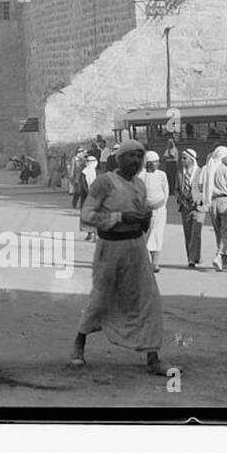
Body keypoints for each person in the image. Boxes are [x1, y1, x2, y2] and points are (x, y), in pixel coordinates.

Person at [70, 139, 165, 375]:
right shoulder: (105, 182)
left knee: (148, 299)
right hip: (110, 249)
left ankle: (153, 356)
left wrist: (143, 221)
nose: (135, 160)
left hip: (136, 249)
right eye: (130, 156)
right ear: (119, 159)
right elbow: (87, 215)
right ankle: (79, 343)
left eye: (138, 156)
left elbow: (142, 216)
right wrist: (119, 218)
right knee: (101, 299)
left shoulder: (140, 185)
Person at [197, 145, 227, 272]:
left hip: (212, 203)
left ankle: (224, 261)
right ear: (222, 157)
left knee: (219, 232)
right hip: (225, 202)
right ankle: (220, 255)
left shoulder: (206, 168)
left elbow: (200, 186)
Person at [140, 150, 170, 273]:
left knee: (157, 235)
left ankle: (155, 263)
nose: (157, 164)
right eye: (154, 162)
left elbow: (166, 191)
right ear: (147, 163)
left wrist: (161, 203)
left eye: (158, 162)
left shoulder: (162, 175)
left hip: (160, 210)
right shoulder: (140, 176)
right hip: (145, 212)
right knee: (145, 237)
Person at [175, 148, 203, 268]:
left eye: (185, 158)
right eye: (182, 158)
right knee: (187, 233)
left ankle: (194, 257)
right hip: (184, 206)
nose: (182, 160)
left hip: (197, 206)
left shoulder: (200, 172)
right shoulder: (180, 173)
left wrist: (198, 199)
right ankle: (191, 258)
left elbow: (204, 189)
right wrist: (181, 200)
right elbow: (176, 189)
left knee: (195, 232)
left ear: (192, 159)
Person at [73, 154, 98, 242]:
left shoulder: (96, 172)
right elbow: (83, 186)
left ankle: (94, 235)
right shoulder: (84, 173)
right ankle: (90, 233)